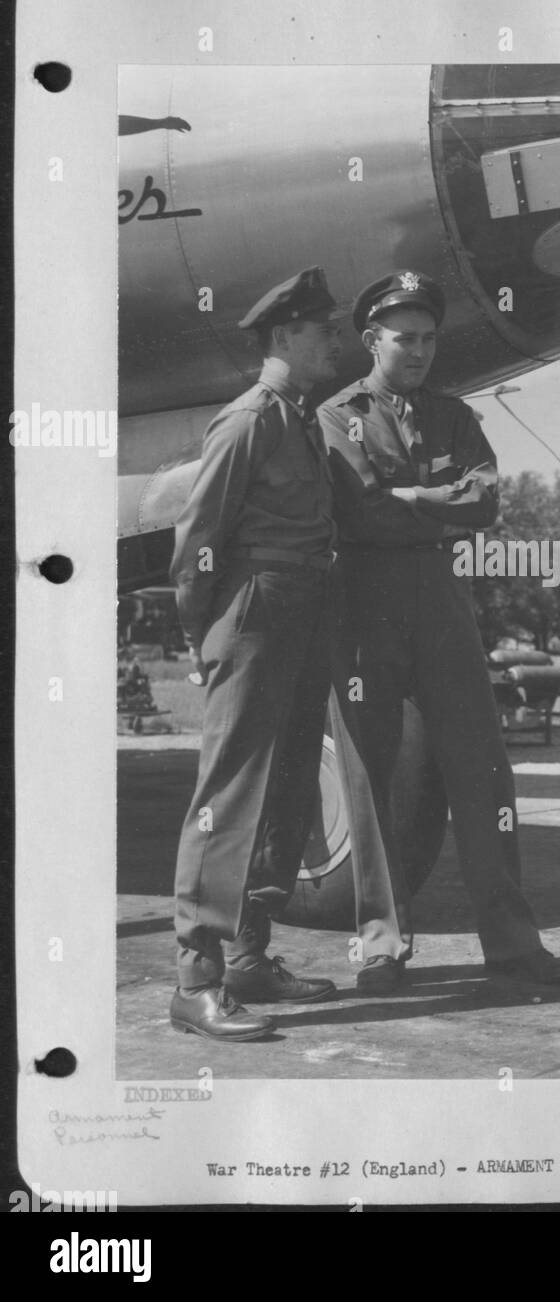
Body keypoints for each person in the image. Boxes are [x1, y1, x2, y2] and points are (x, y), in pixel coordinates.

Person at [317, 270, 560, 992]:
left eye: (430, 338)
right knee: (369, 775)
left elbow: (486, 499)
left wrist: (408, 495)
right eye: (406, 338)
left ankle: (513, 944)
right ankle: (381, 946)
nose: (421, 350)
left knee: (482, 768)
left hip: (439, 597)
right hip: (363, 599)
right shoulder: (337, 416)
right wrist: (436, 499)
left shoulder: (455, 416)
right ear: (372, 339)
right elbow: (360, 510)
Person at [169, 267, 344, 1041]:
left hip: (300, 608)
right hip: (254, 610)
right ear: (285, 337)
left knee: (285, 787)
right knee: (231, 791)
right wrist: (205, 635)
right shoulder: (247, 422)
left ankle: (249, 957)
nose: (335, 340)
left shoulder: (299, 417)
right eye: (324, 329)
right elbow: (196, 541)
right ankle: (196, 979)